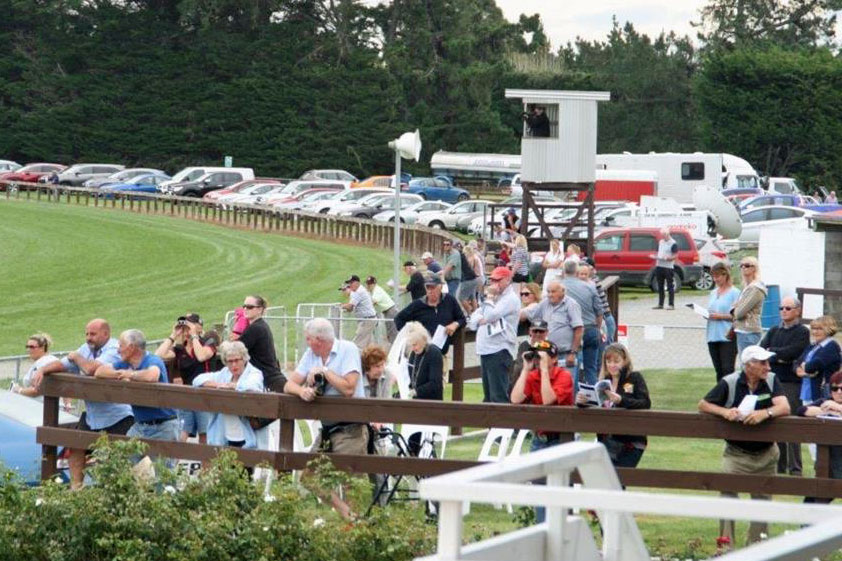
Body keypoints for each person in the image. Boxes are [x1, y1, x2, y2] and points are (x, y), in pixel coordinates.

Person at [698, 345, 790, 551]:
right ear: (749, 366)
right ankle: (725, 549)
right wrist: (724, 412)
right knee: (728, 497)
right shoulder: (729, 382)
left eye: (768, 362)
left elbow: (784, 407)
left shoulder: (772, 380)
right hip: (736, 454)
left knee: (762, 503)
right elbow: (703, 404)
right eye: (763, 363)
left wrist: (765, 413)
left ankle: (758, 549)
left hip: (767, 453)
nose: (768, 366)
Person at [30, 319, 134, 490]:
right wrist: (43, 370)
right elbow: (63, 364)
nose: (88, 338)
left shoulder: (115, 349)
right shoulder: (87, 348)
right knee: (76, 447)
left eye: (93, 334)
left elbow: (92, 369)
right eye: (86, 334)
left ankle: (119, 491)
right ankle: (76, 489)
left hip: (118, 415)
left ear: (106, 334)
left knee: (121, 455)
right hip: (93, 415)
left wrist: (76, 357)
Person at [510, 340, 573, 523]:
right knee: (539, 491)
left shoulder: (564, 376)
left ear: (554, 359)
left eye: (541, 357)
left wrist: (545, 371)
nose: (537, 360)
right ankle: (542, 533)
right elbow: (515, 399)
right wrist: (525, 369)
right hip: (540, 439)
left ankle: (562, 537)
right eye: (536, 356)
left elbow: (547, 400)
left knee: (560, 492)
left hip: (560, 440)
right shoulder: (533, 375)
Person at [284, 318, 368, 455]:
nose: (307, 343)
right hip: (326, 428)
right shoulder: (311, 354)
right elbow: (288, 385)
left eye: (308, 339)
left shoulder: (348, 349)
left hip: (351, 429)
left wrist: (324, 370)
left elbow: (349, 389)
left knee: (347, 473)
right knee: (309, 474)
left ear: (318, 340)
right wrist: (302, 391)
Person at [94, 329, 179, 444]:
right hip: (140, 425)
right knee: (125, 457)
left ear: (131, 347)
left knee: (159, 462)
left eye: (121, 346)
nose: (118, 350)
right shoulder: (125, 363)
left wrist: (131, 375)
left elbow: (152, 375)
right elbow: (99, 371)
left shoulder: (152, 360)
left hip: (163, 425)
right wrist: (120, 373)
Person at [576, 343, 650, 467]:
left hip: (631, 440)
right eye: (608, 361)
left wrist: (621, 400)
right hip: (607, 440)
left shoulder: (634, 378)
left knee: (619, 480)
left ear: (625, 361)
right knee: (607, 481)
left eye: (616, 361)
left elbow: (645, 403)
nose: (612, 365)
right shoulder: (604, 382)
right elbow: (596, 406)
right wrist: (582, 402)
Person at [759, 296, 810, 476]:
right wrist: (777, 356)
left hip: (791, 382)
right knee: (777, 423)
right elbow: (761, 350)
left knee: (792, 424)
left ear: (798, 310)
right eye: (781, 308)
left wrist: (775, 354)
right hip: (773, 381)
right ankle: (780, 467)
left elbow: (793, 352)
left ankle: (795, 469)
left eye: (788, 308)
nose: (783, 311)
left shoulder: (802, 332)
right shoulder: (774, 330)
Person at [155, 313, 221, 443]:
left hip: (205, 396)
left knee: (204, 436)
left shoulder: (208, 342)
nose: (186, 331)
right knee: (181, 434)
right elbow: (158, 355)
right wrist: (173, 335)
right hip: (186, 396)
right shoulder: (179, 349)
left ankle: (205, 464)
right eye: (185, 327)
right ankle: (174, 462)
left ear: (199, 327)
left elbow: (201, 356)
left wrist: (194, 336)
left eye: (189, 326)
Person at [192, 341, 270, 449]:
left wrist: (233, 386)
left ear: (244, 359)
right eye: (230, 361)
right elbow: (197, 380)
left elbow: (253, 386)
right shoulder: (225, 373)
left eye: (237, 360)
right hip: (225, 437)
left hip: (248, 437)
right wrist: (219, 385)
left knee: (247, 464)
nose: (233, 365)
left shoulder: (254, 373)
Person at [394, 273, 466, 374]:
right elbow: (399, 319)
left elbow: (462, 319)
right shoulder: (418, 304)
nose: (430, 291)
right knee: (420, 386)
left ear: (440, 287)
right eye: (428, 287)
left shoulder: (450, 301)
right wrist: (411, 335)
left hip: (440, 353)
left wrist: (455, 324)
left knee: (439, 386)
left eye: (433, 287)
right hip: (421, 354)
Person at [470, 266, 521, 403]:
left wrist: (490, 298)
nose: (494, 284)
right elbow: (474, 318)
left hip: (499, 350)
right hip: (486, 349)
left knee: (498, 396)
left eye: (498, 280)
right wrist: (483, 317)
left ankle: (502, 425)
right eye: (492, 280)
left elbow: (490, 315)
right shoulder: (493, 298)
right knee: (488, 397)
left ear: (507, 280)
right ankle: (490, 425)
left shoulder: (510, 298)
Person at [526, 281, 583, 390]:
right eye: (548, 292)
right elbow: (534, 319)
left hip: (566, 354)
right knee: (548, 386)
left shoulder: (571, 304)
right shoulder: (544, 303)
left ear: (562, 292)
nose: (550, 295)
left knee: (567, 387)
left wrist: (573, 352)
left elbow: (579, 329)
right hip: (547, 354)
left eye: (553, 292)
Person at [797, 371, 842, 504]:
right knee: (811, 502)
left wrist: (839, 408)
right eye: (835, 388)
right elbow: (802, 410)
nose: (838, 392)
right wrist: (828, 411)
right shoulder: (825, 402)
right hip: (829, 463)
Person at [562, 259, 603, 385]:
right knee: (591, 369)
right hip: (591, 328)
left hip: (573, 333)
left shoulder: (560, 287)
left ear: (563, 271)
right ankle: (595, 399)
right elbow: (600, 312)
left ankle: (573, 400)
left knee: (573, 369)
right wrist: (598, 328)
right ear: (576, 272)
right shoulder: (590, 287)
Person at [238, 295, 286, 392]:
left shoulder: (256, 328)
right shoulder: (261, 326)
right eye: (244, 306)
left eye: (250, 307)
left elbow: (235, 350)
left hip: (267, 381)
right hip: (270, 379)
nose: (245, 309)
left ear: (260, 310)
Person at [706, 262, 741, 382]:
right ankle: (720, 397)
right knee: (719, 370)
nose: (715, 279)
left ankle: (730, 396)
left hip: (727, 336)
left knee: (727, 369)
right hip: (712, 335)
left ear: (725, 275)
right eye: (713, 276)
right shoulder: (713, 293)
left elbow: (738, 315)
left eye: (718, 276)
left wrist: (720, 316)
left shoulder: (734, 293)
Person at [796, 315, 841, 404]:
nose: (815, 332)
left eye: (819, 329)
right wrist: (803, 370)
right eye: (813, 329)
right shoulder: (812, 346)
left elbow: (812, 366)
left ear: (828, 330)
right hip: (807, 392)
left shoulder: (831, 346)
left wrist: (805, 368)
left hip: (821, 393)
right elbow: (796, 363)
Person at [732, 256, 767, 356]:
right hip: (741, 329)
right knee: (744, 363)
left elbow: (739, 313)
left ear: (754, 268)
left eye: (747, 265)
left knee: (747, 363)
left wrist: (736, 308)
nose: (743, 268)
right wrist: (737, 307)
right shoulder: (746, 287)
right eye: (741, 265)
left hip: (749, 330)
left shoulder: (755, 288)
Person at [11, 333, 59, 399]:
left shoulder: (44, 362)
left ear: (42, 348)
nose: (28, 350)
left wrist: (18, 390)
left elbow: (36, 390)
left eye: (32, 347)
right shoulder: (50, 360)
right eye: (27, 347)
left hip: (42, 405)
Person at [404, 322, 444, 401]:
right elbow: (411, 378)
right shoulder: (413, 354)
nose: (413, 348)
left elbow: (435, 383)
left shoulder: (434, 353)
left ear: (423, 340)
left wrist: (416, 392)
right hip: (415, 400)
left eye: (415, 345)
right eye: (411, 345)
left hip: (431, 401)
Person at [340, 275, 378, 350]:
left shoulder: (358, 292)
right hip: (369, 319)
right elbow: (351, 308)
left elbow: (350, 307)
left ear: (357, 283)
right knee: (369, 346)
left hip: (367, 320)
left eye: (351, 283)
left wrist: (340, 306)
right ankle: (372, 360)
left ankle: (356, 361)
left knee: (357, 345)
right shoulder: (358, 291)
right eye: (349, 283)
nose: (350, 285)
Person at [511, 319, 549, 391]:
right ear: (530, 331)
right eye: (535, 331)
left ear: (546, 332)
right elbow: (519, 363)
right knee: (517, 367)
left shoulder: (550, 346)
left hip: (543, 376)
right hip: (524, 374)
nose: (538, 334)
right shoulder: (524, 345)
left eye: (541, 331)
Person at [365, 276, 398, 344]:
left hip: (390, 311)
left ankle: (397, 351)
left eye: (370, 284)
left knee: (392, 332)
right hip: (388, 311)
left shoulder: (377, 291)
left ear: (374, 284)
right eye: (367, 284)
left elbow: (372, 302)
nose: (368, 286)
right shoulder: (375, 290)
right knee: (390, 332)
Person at [652, 228, 678, 310]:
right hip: (659, 265)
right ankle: (660, 304)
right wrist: (655, 256)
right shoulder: (661, 242)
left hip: (668, 267)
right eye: (662, 235)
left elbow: (675, 255)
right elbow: (657, 252)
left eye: (664, 235)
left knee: (670, 285)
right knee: (660, 285)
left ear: (668, 234)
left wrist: (667, 258)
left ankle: (671, 304)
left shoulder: (673, 243)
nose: (663, 237)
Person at [458, 245, 482, 313]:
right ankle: (475, 313)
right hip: (477, 278)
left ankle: (470, 313)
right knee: (473, 297)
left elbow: (469, 269)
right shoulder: (475, 257)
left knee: (461, 297)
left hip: (469, 279)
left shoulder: (470, 258)